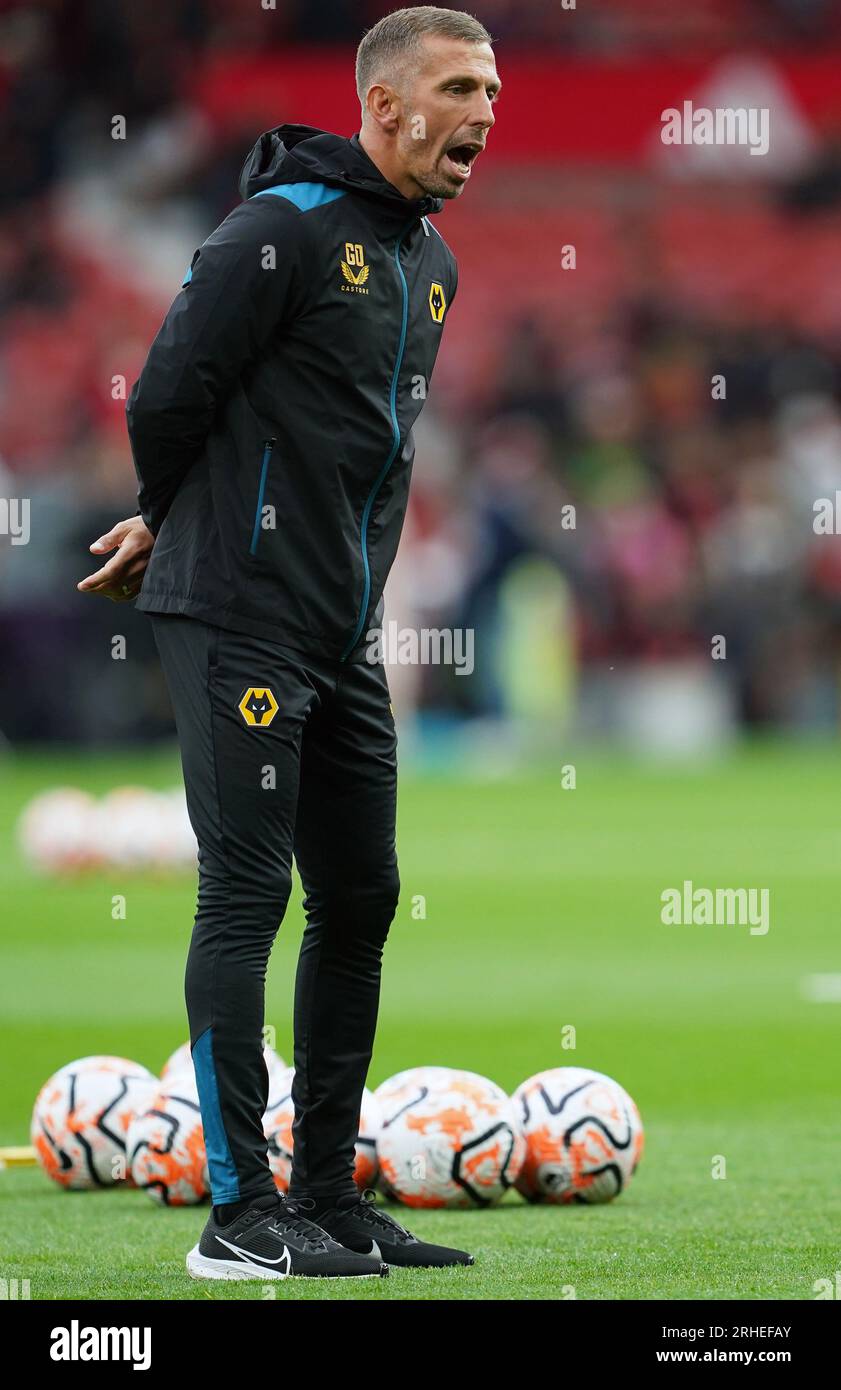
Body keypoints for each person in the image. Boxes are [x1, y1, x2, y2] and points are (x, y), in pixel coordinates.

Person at [78, 6, 500, 1281]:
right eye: (457, 86)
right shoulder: (277, 232)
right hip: (239, 617)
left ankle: (326, 1196)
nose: (483, 111)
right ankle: (236, 1215)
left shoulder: (430, 263)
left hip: (340, 631)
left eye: (492, 88)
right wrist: (174, 519)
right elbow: (167, 391)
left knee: (362, 896)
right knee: (248, 892)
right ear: (382, 103)